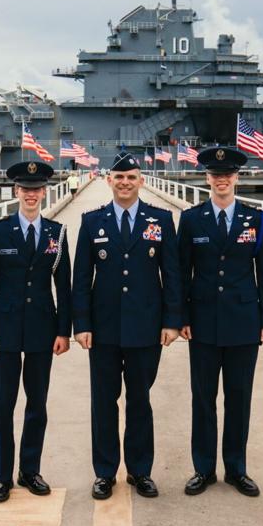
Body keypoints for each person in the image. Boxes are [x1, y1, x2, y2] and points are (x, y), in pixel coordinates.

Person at [72, 151, 182, 500]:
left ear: (141, 181)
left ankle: (140, 471)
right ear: (109, 181)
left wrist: (172, 321)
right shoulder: (92, 222)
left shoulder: (161, 219)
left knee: (140, 401)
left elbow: (173, 275)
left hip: (146, 328)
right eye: (119, 177)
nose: (124, 183)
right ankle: (105, 473)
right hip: (103, 330)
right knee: (104, 402)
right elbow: (80, 279)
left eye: (131, 177)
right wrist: (82, 324)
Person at [177, 146, 263, 498]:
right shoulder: (191, 219)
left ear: (236, 178)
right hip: (202, 322)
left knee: (239, 398)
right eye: (215, 174)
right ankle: (203, 469)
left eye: (228, 174)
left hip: (244, 321)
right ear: (206, 178)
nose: (222, 179)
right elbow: (180, 273)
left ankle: (236, 469)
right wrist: (182, 316)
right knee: (202, 398)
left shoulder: (257, 219)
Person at [0, 160, 72, 503]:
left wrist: (64, 331)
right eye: (25, 189)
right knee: (4, 406)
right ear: (17, 191)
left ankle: (29, 470)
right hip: (3, 333)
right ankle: (3, 476)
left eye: (36, 189)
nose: (31, 195)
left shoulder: (56, 233)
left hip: (41, 333)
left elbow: (65, 286)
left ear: (44, 192)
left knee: (37, 404)